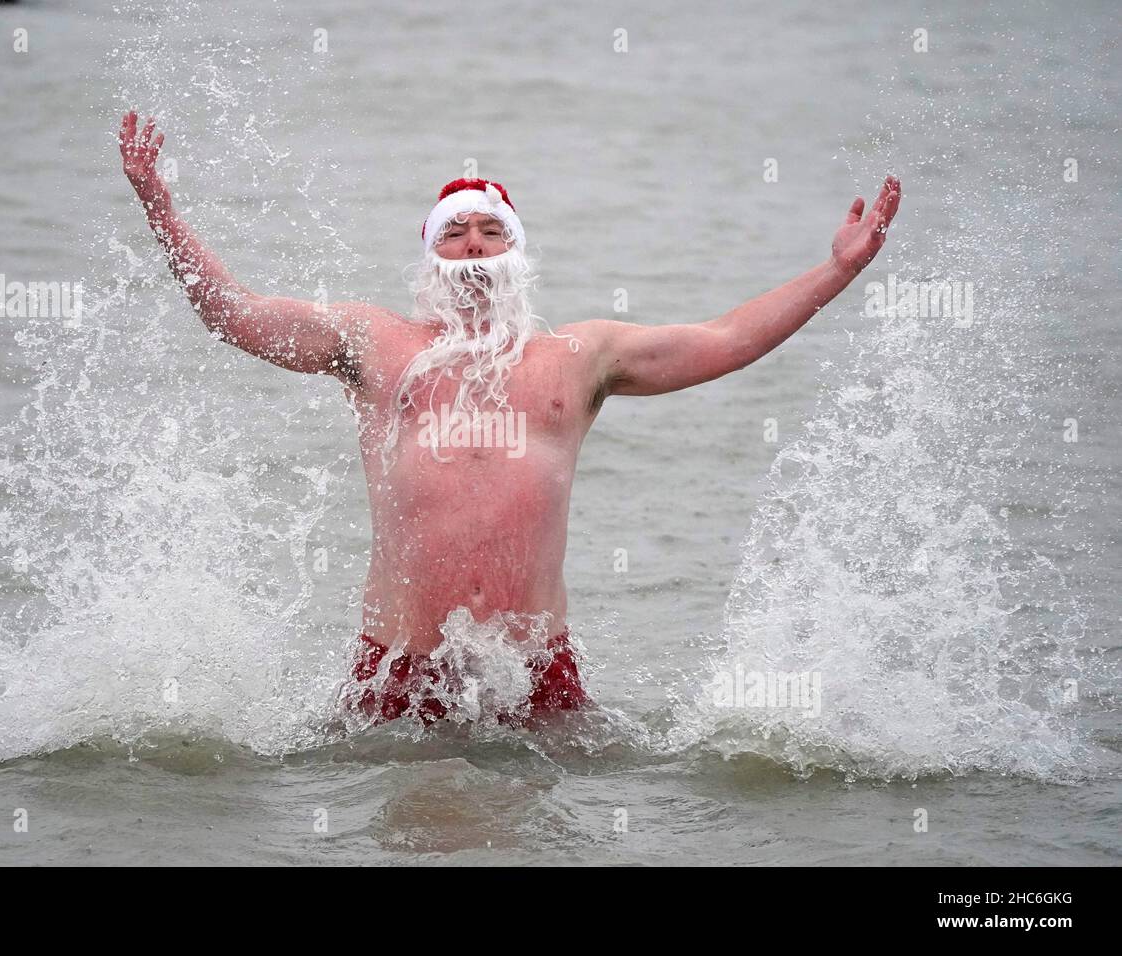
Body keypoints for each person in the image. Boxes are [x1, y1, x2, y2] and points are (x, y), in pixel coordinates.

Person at [117, 111, 902, 726]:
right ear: (430, 258)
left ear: (518, 255)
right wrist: (162, 210)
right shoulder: (372, 342)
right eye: (454, 233)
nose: (474, 245)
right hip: (398, 665)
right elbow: (234, 315)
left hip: (534, 671)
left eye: (493, 231)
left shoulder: (579, 355)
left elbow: (727, 340)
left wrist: (835, 271)